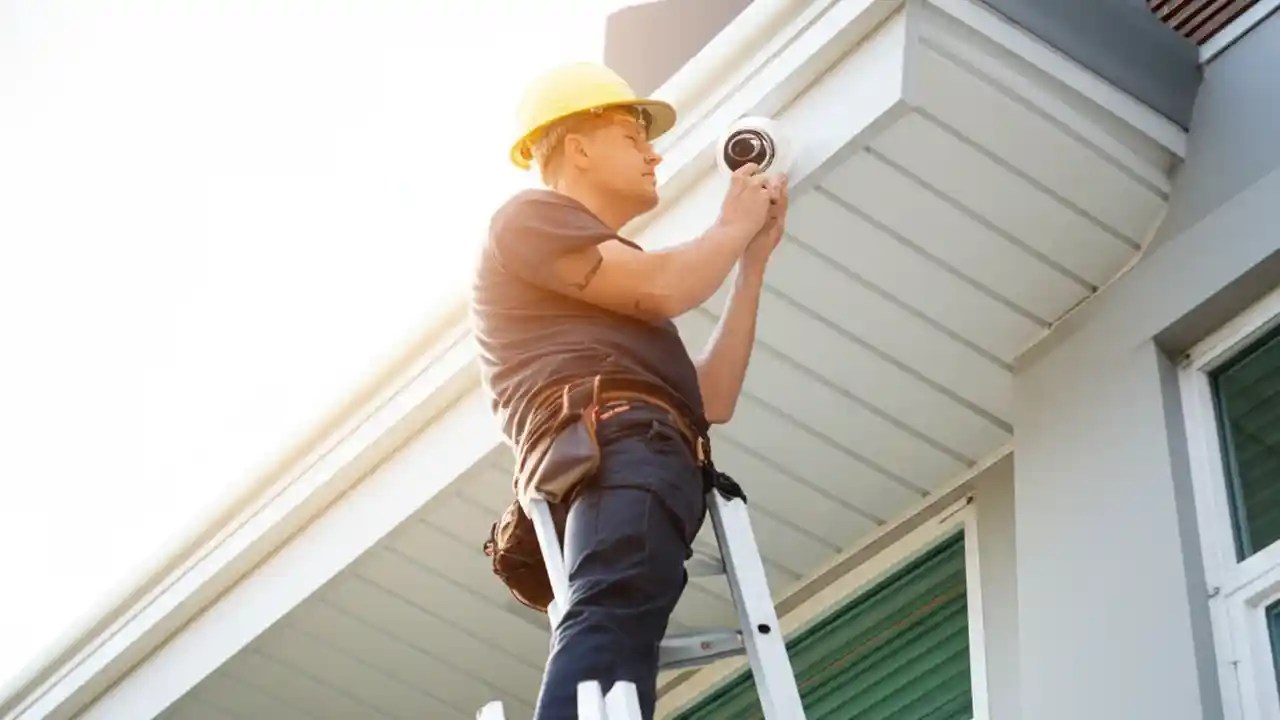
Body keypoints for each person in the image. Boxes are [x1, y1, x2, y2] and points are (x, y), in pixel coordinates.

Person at [469, 61, 788, 720]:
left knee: (623, 632)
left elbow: (712, 399)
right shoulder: (531, 219)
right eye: (629, 135)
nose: (653, 152)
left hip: (644, 450)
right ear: (576, 147)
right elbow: (666, 285)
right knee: (611, 612)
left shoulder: (602, 295)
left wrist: (750, 263)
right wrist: (730, 228)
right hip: (614, 445)